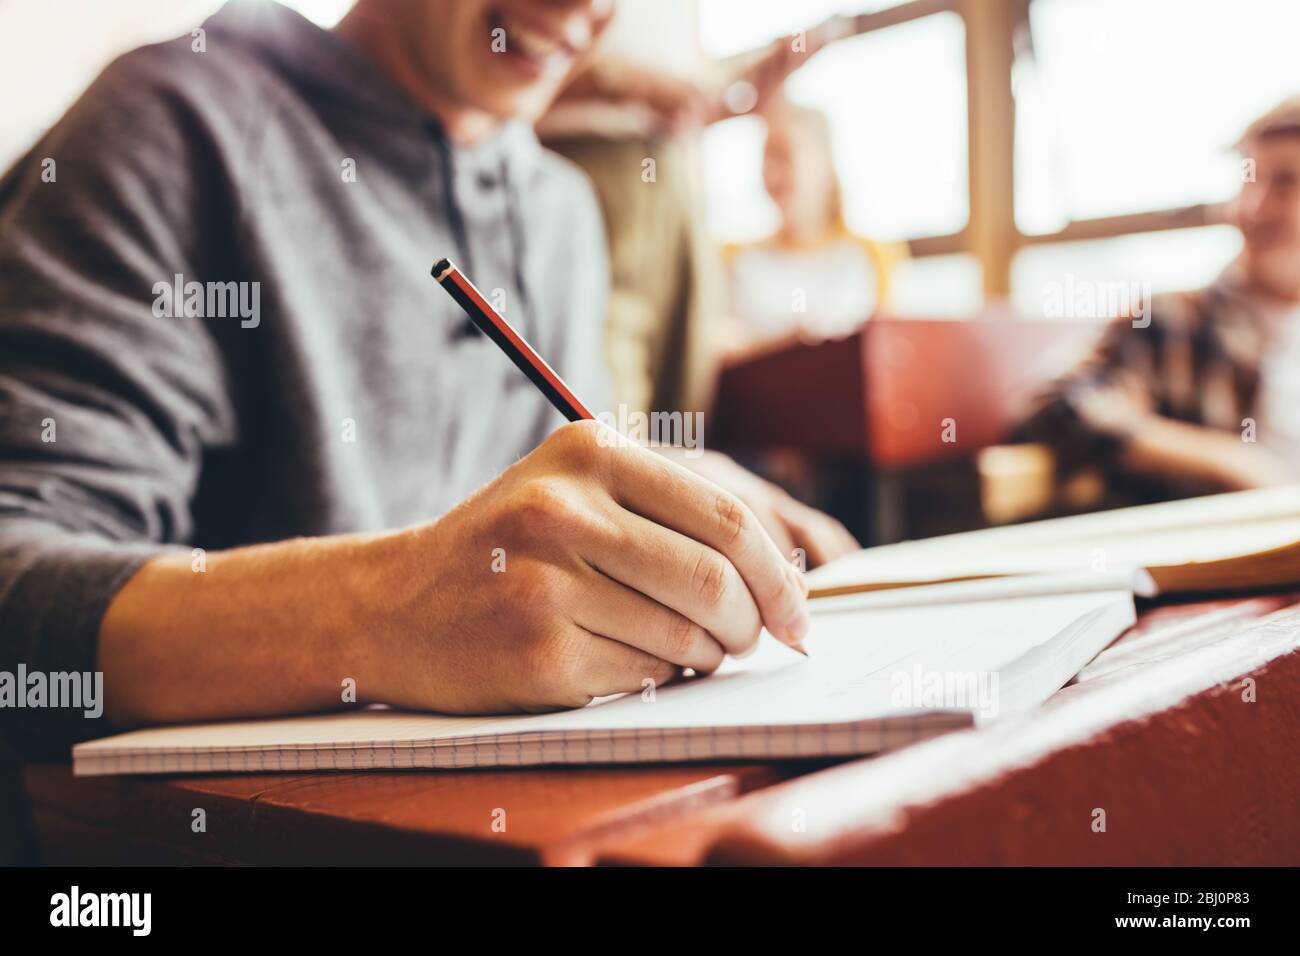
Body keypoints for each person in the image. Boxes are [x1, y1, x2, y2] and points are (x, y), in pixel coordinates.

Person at [0, 0, 858, 759]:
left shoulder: (562, 209)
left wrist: (652, 508)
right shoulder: (169, 125)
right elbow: (18, 598)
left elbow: (549, 513)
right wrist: (384, 610)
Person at [1018, 96, 1300, 501]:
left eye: (1286, 182)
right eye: (1249, 181)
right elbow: (1054, 404)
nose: (1253, 207)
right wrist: (1232, 461)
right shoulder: (1171, 319)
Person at [722, 98, 906, 355]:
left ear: (823, 162)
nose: (772, 173)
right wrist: (784, 342)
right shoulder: (734, 257)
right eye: (767, 157)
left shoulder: (873, 255)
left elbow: (889, 353)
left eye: (784, 155)